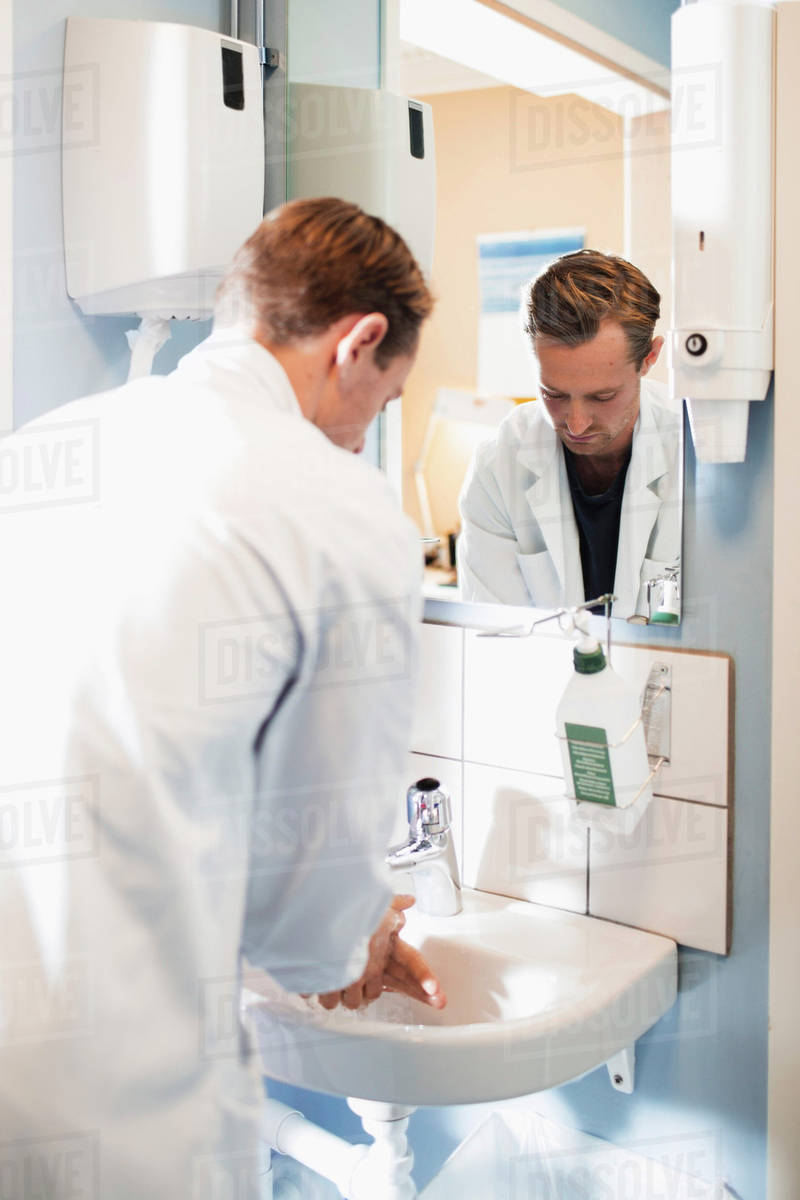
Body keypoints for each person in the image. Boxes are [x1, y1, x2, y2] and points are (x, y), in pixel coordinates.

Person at [0, 198, 442, 1198]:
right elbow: (305, 916)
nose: (364, 432)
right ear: (358, 342)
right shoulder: (338, 511)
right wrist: (360, 930)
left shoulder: (42, 448)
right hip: (119, 1106)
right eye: (382, 398)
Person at [457, 250, 681, 620]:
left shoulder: (693, 453)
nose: (576, 424)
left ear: (650, 358)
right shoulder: (500, 465)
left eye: (602, 396)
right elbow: (495, 632)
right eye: (554, 394)